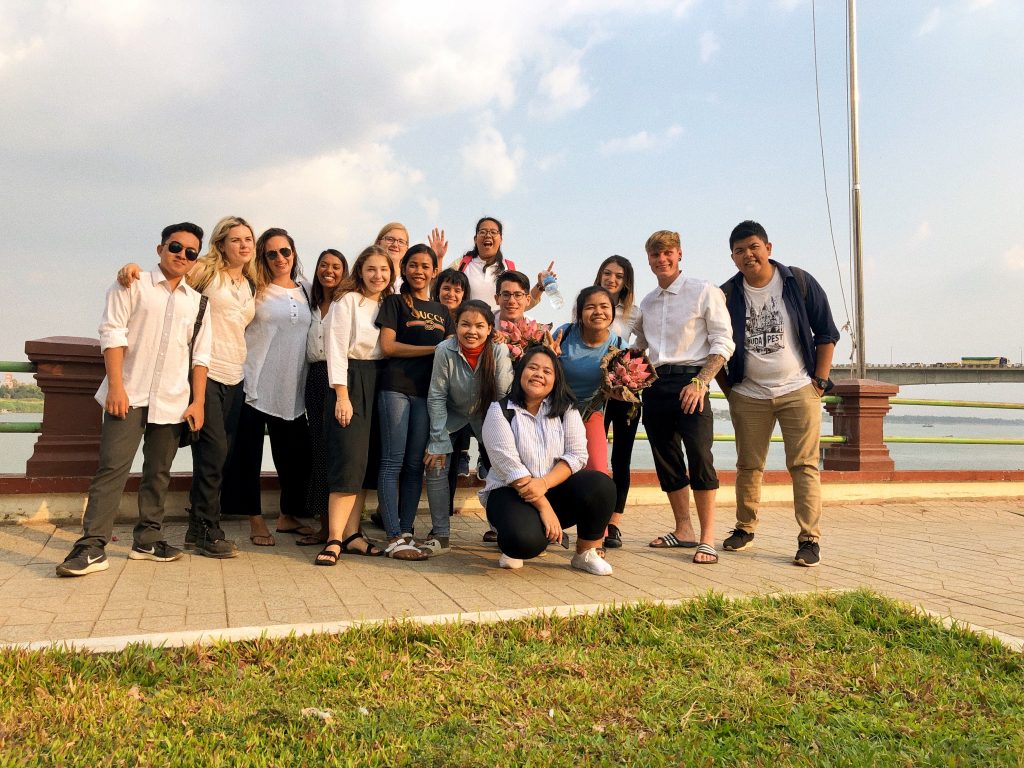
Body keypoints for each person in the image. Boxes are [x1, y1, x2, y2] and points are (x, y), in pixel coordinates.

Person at [57, 223, 210, 576]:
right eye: (176, 247)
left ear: (196, 259)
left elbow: (201, 356)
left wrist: (198, 401)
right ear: (160, 249)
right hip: (129, 393)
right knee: (112, 469)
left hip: (173, 399)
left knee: (158, 473)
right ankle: (92, 545)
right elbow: (112, 332)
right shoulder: (131, 283)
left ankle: (148, 540)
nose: (182, 255)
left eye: (190, 252)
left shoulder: (199, 304)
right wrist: (116, 387)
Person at [111, 215, 259, 558]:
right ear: (221, 243)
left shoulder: (249, 283)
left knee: (221, 456)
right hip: (204, 375)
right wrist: (131, 268)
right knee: (212, 453)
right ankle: (206, 529)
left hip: (235, 377)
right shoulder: (204, 271)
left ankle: (199, 527)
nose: (244, 245)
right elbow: (167, 276)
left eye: (249, 239)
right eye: (236, 239)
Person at [715, 220, 840, 567]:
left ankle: (809, 539)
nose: (748, 255)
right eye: (740, 251)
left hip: (799, 388)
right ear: (733, 257)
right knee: (748, 465)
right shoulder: (725, 295)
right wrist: (731, 391)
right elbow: (715, 346)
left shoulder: (797, 282)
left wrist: (819, 382)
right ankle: (745, 528)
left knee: (803, 466)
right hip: (749, 394)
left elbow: (826, 333)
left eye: (754, 247)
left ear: (768, 248)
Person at [633, 229, 735, 565]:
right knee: (666, 459)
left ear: (679, 255)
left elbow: (723, 343)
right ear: (648, 260)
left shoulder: (703, 290)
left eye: (667, 253)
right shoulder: (646, 303)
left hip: (692, 382)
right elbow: (639, 347)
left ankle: (707, 538)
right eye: (655, 255)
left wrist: (701, 382)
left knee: (699, 456)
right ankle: (683, 529)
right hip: (655, 385)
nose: (661, 260)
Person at [480, 346, 616, 575]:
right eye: (532, 367)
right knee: (523, 542)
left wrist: (543, 484)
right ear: (520, 371)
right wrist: (544, 507)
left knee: (601, 485)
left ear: (556, 379)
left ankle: (585, 553)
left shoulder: (567, 409)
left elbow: (577, 455)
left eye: (547, 371)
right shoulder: (499, 411)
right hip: (510, 492)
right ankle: (514, 541)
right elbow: (510, 468)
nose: (538, 374)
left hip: (553, 486)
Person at [222, 228, 313, 546]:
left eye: (285, 251)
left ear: (294, 253)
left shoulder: (306, 289)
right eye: (271, 253)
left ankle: (288, 515)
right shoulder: (253, 287)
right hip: (254, 382)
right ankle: (255, 519)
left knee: (296, 456)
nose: (279, 258)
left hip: (292, 387)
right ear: (262, 257)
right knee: (247, 457)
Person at [315, 245, 393, 564]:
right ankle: (334, 539)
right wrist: (342, 395)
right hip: (350, 378)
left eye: (384, 270)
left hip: (381, 380)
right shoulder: (347, 301)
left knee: (364, 462)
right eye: (371, 269)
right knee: (347, 458)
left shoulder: (391, 304)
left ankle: (353, 535)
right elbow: (334, 349)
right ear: (360, 270)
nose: (378, 275)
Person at [375, 244, 454, 555]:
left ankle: (407, 530)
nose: (419, 271)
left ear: (434, 271)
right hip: (395, 387)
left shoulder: (443, 312)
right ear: (404, 268)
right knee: (392, 462)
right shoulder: (394, 302)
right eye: (414, 265)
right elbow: (388, 347)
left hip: (426, 394)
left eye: (426, 266)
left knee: (413, 465)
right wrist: (433, 350)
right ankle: (392, 534)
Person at [424, 300, 514, 553]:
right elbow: (437, 395)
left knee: (503, 469)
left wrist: (502, 354)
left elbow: (502, 392)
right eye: (465, 324)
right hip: (452, 415)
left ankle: (501, 527)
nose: (471, 331)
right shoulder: (444, 350)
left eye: (479, 326)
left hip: (488, 417)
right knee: (436, 464)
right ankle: (441, 533)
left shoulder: (497, 351)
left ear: (489, 329)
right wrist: (438, 439)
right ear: (456, 326)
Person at [299, 248, 348, 547]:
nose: (329, 271)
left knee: (338, 451)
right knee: (317, 449)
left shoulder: (347, 303)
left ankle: (339, 527)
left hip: (338, 379)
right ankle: (322, 524)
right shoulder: (310, 303)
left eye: (336, 266)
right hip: (314, 378)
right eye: (324, 265)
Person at [552, 286, 624, 478]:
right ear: (580, 312)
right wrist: (549, 357)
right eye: (590, 307)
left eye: (604, 306)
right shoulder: (563, 334)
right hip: (554, 412)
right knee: (551, 468)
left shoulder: (618, 346)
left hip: (589, 413)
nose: (598, 312)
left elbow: (629, 388)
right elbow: (540, 366)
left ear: (612, 312)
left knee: (599, 474)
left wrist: (618, 393)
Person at [594, 256, 640, 548]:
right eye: (607, 273)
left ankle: (614, 523)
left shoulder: (634, 313)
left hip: (625, 393)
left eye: (619, 276)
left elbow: (643, 347)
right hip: (594, 393)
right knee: (591, 457)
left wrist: (634, 377)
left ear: (626, 282)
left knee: (620, 459)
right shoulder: (585, 304)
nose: (612, 279)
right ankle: (592, 518)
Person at [430, 268, 474, 495]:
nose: (451, 294)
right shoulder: (429, 316)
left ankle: (443, 517)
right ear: (436, 290)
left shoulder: (469, 323)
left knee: (452, 462)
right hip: (430, 394)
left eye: (458, 290)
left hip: (456, 402)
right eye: (446, 288)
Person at [450, 217, 552, 312]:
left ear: (501, 240)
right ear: (475, 239)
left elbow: (520, 305)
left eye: (493, 232)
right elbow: (440, 290)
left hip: (500, 330)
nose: (488, 235)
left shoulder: (509, 268)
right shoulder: (461, 264)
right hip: (469, 328)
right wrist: (438, 258)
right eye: (482, 232)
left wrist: (540, 286)